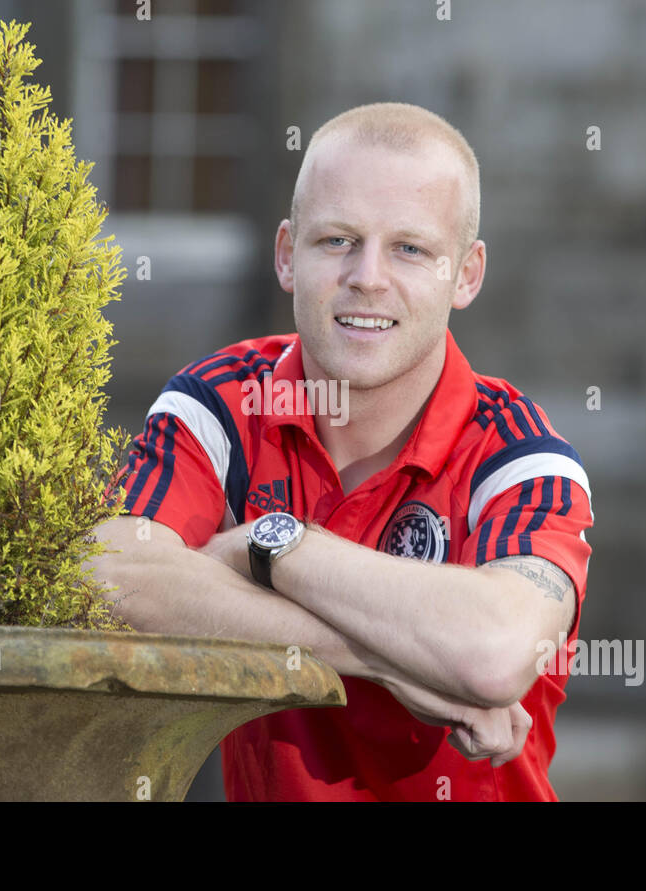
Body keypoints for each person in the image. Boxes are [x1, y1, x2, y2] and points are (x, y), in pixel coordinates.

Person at [92, 101, 594, 801]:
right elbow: (103, 576)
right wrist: (386, 663)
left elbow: (493, 652)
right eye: (337, 240)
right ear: (286, 255)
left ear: (468, 273)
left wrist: (263, 550)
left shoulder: (519, 455)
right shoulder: (224, 403)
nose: (367, 276)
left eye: (410, 248)